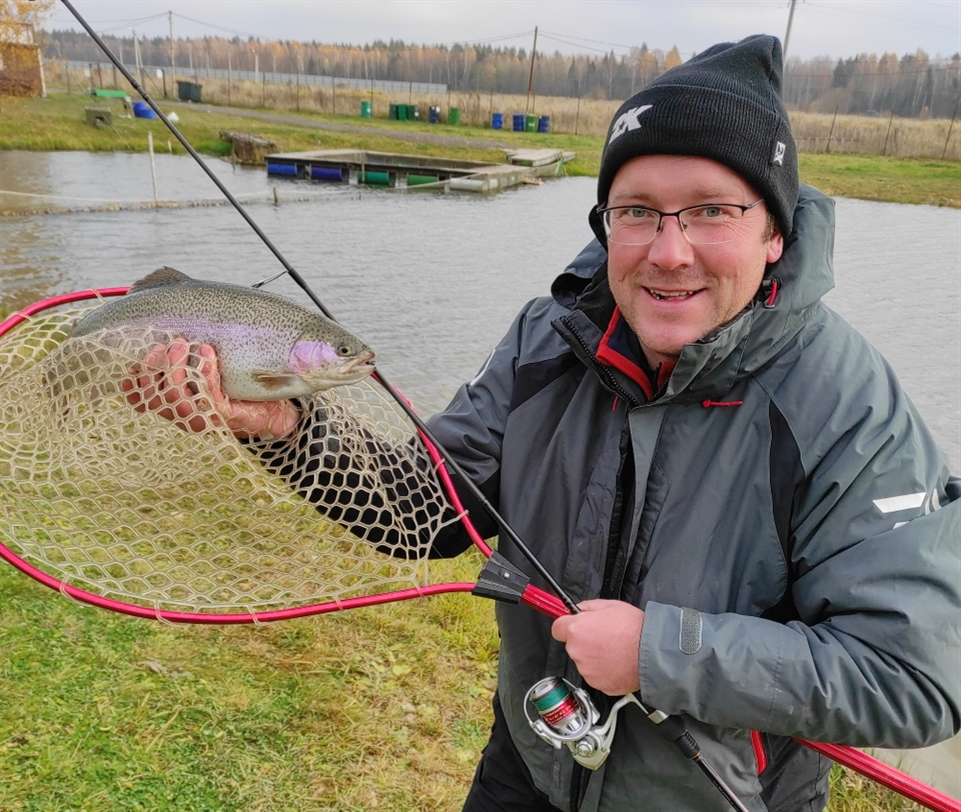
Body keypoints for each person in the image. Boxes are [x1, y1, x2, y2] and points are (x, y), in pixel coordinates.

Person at [128, 35, 960, 812]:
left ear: (773, 231)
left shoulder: (849, 407)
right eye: (637, 211)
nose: (668, 252)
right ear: (606, 222)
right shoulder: (547, 338)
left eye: (711, 211)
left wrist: (658, 656)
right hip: (528, 765)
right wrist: (282, 425)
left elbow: (915, 680)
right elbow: (424, 509)